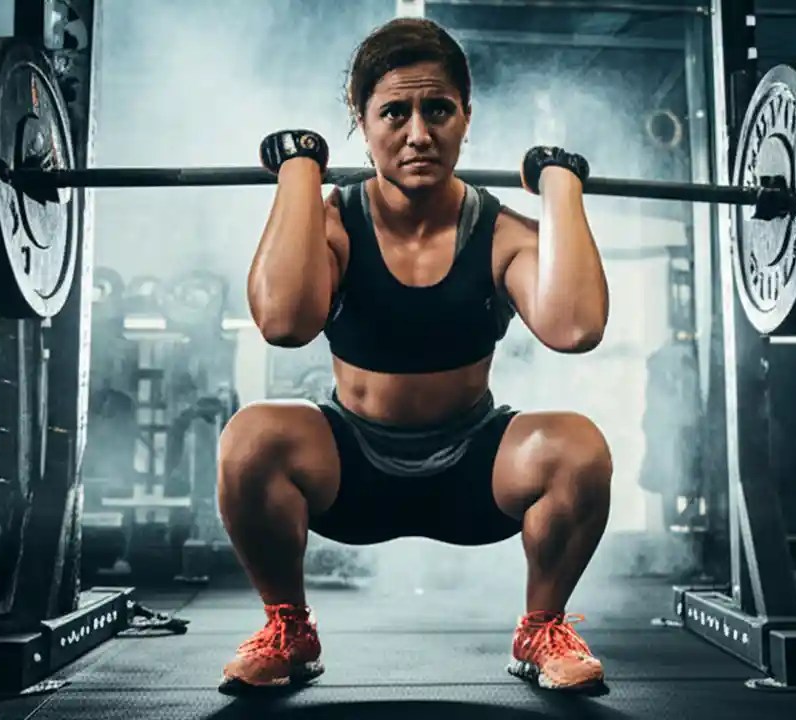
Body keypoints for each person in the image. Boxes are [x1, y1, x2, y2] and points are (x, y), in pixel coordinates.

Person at [217, 17, 613, 693]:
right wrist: (299, 171)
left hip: (474, 469)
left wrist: (560, 185)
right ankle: (289, 628)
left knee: (578, 447)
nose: (419, 134)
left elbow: (576, 328)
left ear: (466, 117)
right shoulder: (334, 222)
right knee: (250, 438)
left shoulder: (500, 232)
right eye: (394, 113)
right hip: (351, 469)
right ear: (362, 122)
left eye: (438, 110)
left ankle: (542, 628)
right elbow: (283, 322)